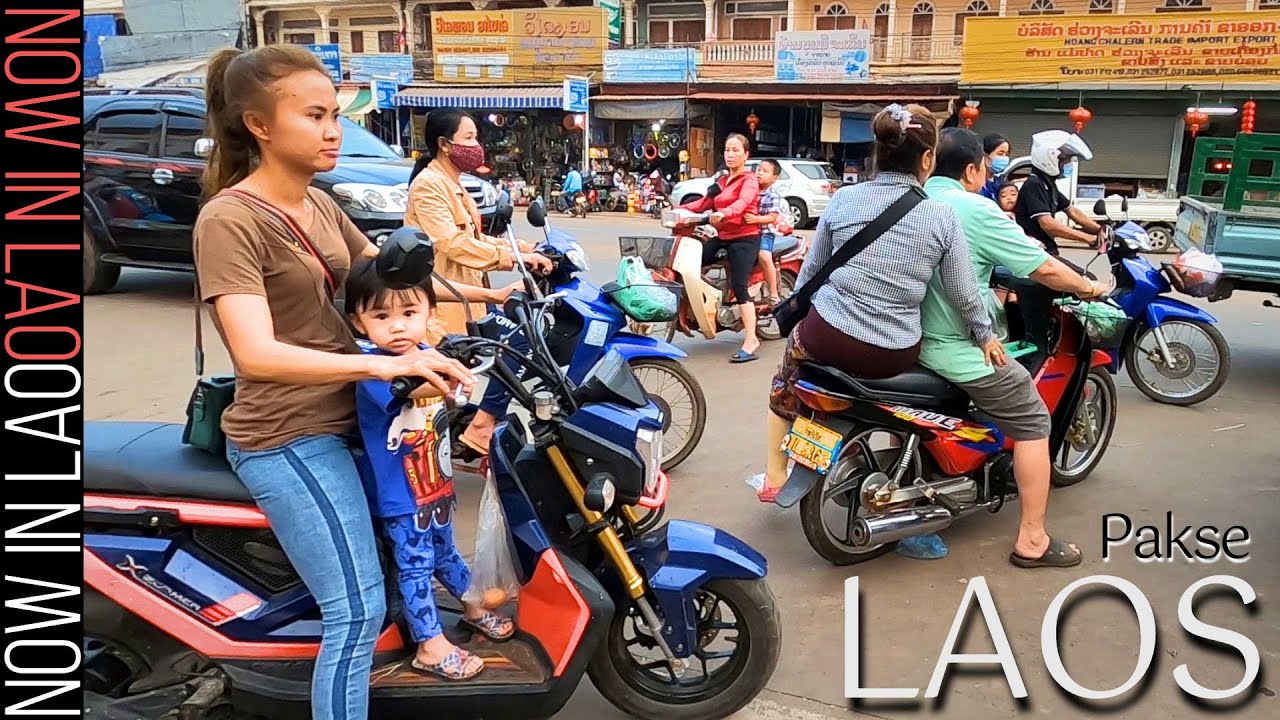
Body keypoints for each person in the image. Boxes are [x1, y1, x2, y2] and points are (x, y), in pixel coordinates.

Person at [194, 45, 480, 720]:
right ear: (261, 125)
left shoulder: (318, 204)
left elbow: (392, 273)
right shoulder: (230, 220)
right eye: (315, 115)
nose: (332, 130)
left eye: (336, 115)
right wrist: (384, 363)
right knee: (355, 611)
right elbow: (256, 353)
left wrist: (501, 294)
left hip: (353, 415)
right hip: (287, 436)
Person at [755, 104, 998, 503]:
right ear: (926, 159)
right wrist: (985, 336)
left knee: (786, 379)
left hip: (825, 338)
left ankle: (774, 474)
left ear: (878, 153)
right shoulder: (940, 216)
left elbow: (811, 274)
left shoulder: (843, 199)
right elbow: (964, 292)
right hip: (892, 354)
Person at [920, 128, 1109, 567]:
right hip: (955, 345)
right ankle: (1032, 539)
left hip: (896, 339)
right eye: (991, 162)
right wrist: (1089, 287)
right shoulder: (974, 208)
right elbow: (1044, 266)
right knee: (1031, 419)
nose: (995, 168)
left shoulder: (911, 201)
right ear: (972, 169)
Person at [345, 261, 514, 681]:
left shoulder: (425, 353)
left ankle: (472, 604)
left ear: (430, 312)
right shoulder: (371, 365)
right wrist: (446, 371)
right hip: (401, 495)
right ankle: (429, 644)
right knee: (416, 563)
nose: (397, 327)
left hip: (434, 485)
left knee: (444, 550)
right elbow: (414, 386)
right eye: (381, 316)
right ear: (358, 322)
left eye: (409, 313)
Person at [405, 109, 552, 463]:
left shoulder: (454, 185)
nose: (476, 146)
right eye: (468, 138)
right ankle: (481, 426)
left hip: (467, 299)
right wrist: (513, 259)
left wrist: (526, 248)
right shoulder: (429, 185)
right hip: (443, 302)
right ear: (444, 144)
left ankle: (469, 425)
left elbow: (478, 237)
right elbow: (452, 243)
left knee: (503, 348)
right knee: (519, 341)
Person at [679, 133, 763, 362]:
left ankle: (751, 339)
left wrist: (724, 213)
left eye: (736, 150)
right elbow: (703, 203)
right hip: (722, 235)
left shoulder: (749, 180)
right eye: (727, 150)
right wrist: (679, 209)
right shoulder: (722, 182)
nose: (730, 154)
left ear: (746, 155)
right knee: (691, 261)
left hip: (745, 238)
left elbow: (742, 203)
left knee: (740, 286)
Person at [1013, 130, 1104, 272]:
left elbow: (1072, 211)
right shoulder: (1034, 185)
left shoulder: (1048, 185)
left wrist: (1100, 230)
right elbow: (1048, 224)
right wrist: (1088, 238)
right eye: (1064, 159)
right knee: (1085, 281)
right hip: (1033, 254)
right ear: (1050, 158)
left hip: (1045, 252)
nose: (1068, 164)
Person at [745, 158, 783, 305]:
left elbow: (772, 217)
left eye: (765, 171)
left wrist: (755, 219)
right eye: (759, 170)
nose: (760, 173)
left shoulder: (772, 196)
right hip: (749, 232)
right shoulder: (750, 192)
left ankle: (774, 293)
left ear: (774, 178)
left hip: (765, 233)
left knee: (764, 256)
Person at [979, 133, 1011, 202]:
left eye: (1007, 154)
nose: (1004, 158)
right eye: (1000, 153)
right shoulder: (977, 184)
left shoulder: (999, 182)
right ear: (985, 155)